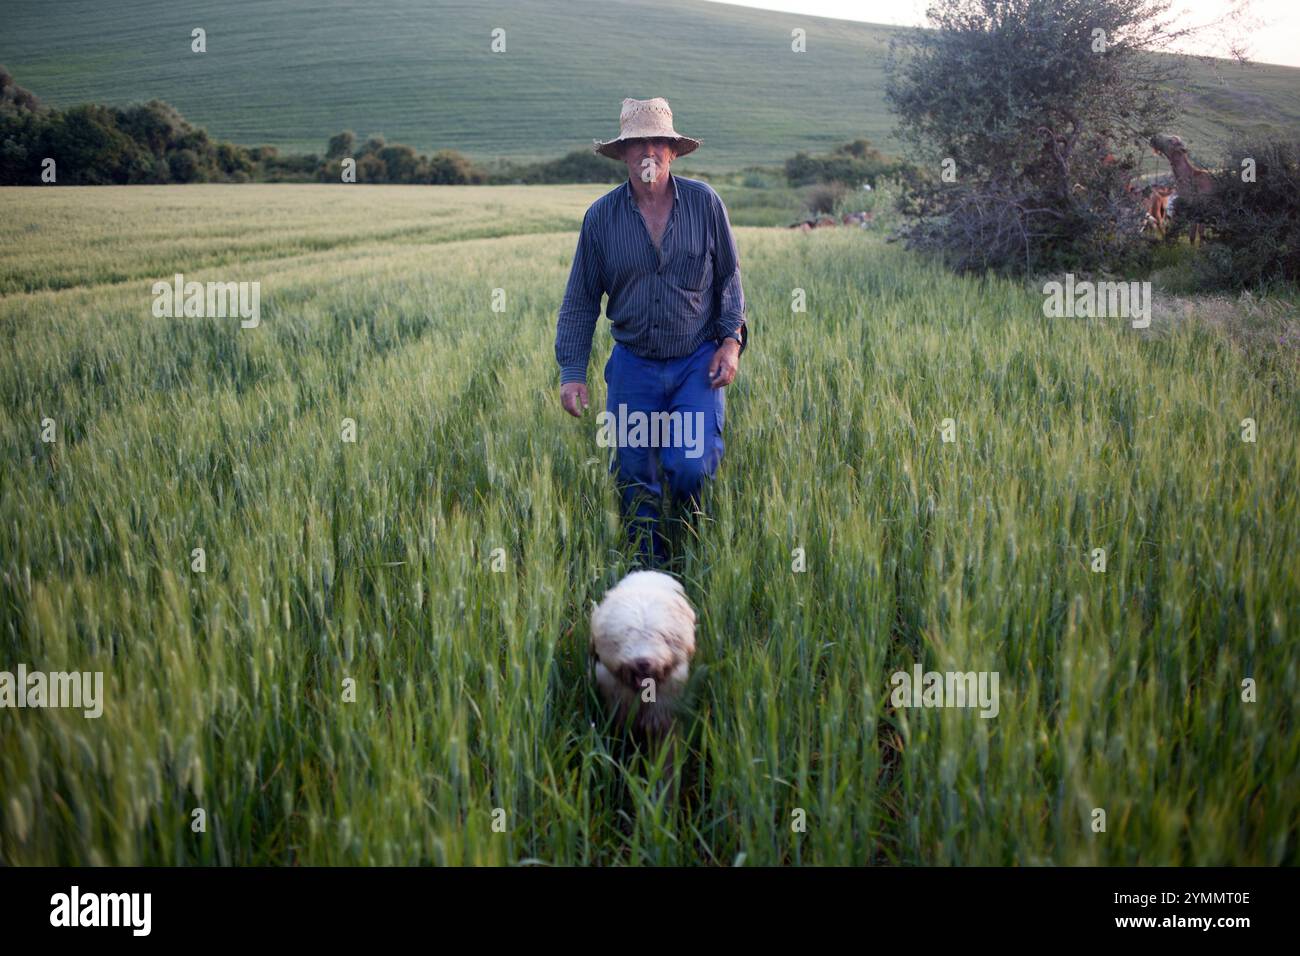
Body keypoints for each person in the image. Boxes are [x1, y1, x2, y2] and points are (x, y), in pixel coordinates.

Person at [556, 96, 748, 567]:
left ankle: (689, 551)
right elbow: (581, 299)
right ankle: (648, 568)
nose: (649, 151)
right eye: (637, 142)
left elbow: (729, 277)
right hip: (634, 366)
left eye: (658, 141)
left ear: (673, 150)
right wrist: (572, 370)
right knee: (635, 475)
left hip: (694, 363)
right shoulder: (601, 218)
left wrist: (730, 341)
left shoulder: (704, 203)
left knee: (689, 466)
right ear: (622, 153)